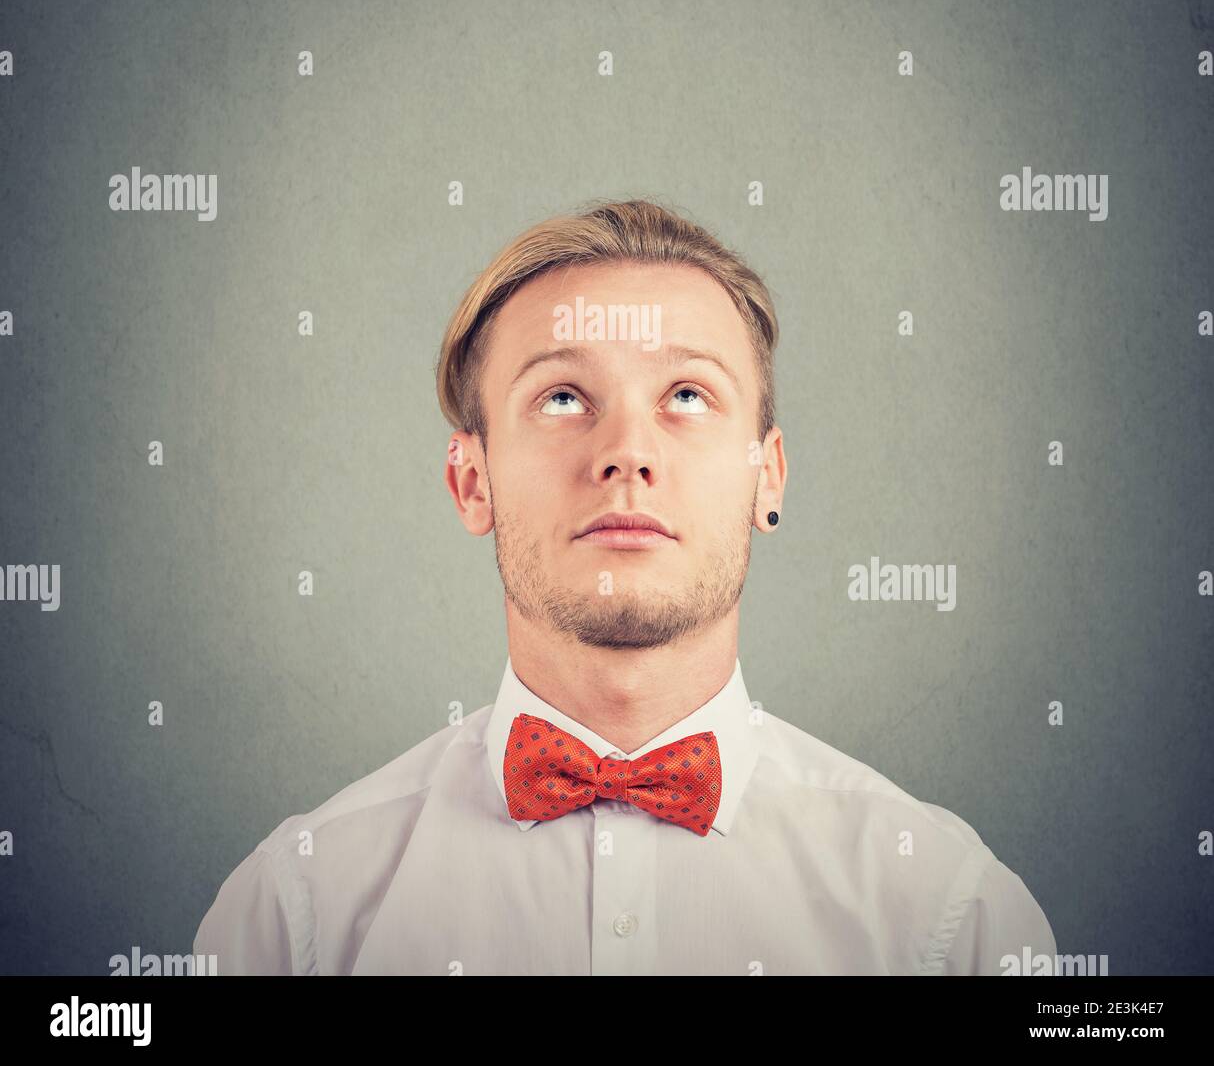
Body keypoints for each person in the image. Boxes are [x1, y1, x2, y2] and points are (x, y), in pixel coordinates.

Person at [194, 196, 1055, 974]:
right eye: (564, 398)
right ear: (471, 482)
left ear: (769, 477)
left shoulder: (952, 917)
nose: (628, 453)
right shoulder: (292, 919)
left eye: (687, 393)